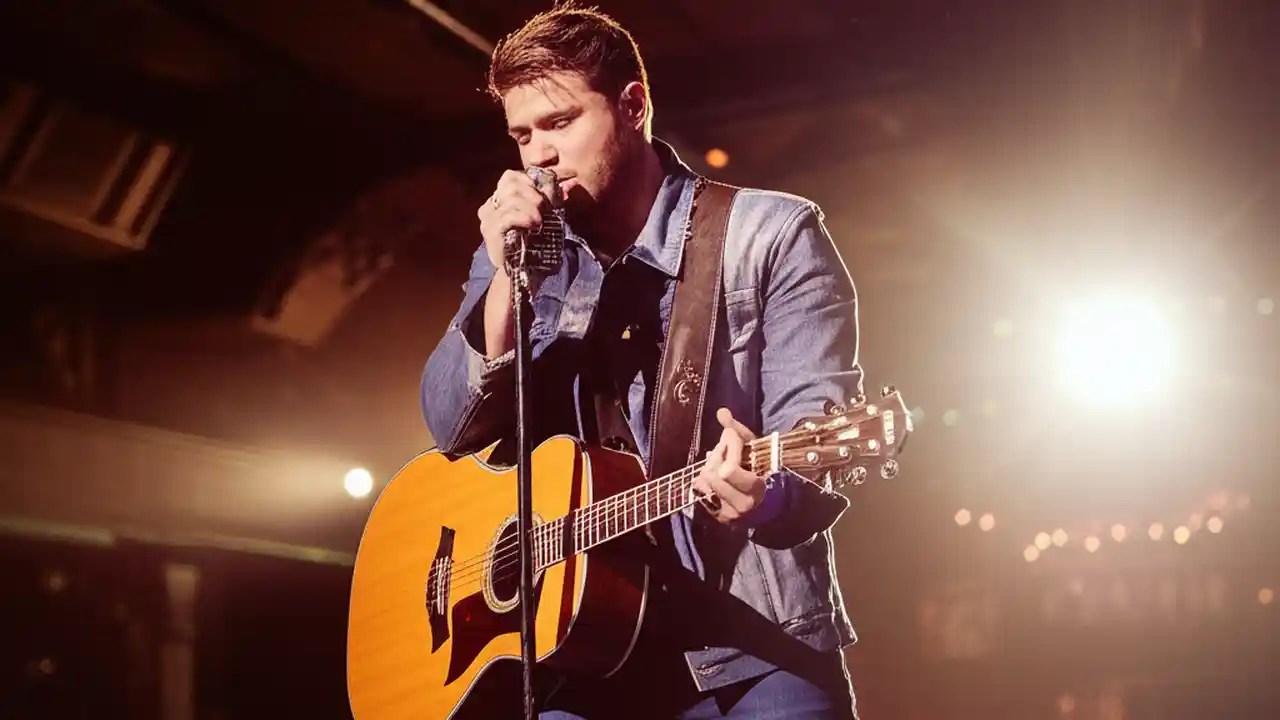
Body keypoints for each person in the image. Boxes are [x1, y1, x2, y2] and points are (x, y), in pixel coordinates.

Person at [421, 5, 864, 718]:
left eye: (560, 123)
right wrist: (506, 277)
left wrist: (766, 494)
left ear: (633, 107)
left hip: (751, 643)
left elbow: (814, 437)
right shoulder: (516, 251)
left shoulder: (770, 236)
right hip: (580, 649)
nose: (537, 155)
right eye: (521, 134)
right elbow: (449, 425)